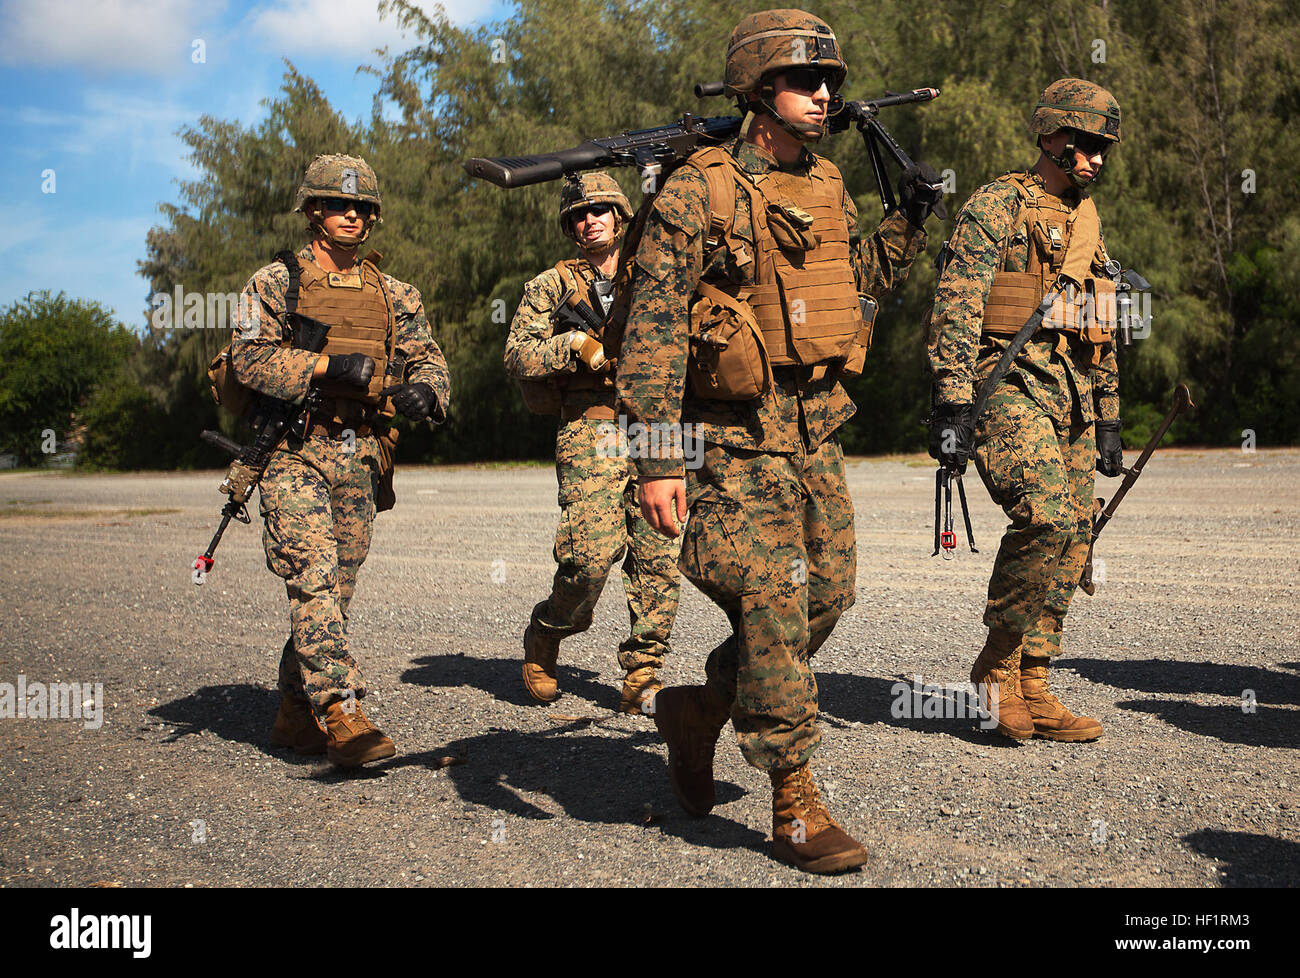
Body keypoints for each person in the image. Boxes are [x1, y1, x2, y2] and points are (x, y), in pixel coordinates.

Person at [617, 9, 938, 873]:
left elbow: (851, 289)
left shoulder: (828, 182)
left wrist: (905, 223)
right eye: (805, 82)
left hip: (816, 431)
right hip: (727, 442)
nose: (824, 95)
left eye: (829, 82)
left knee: (826, 599)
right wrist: (655, 456)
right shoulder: (701, 187)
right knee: (771, 602)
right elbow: (650, 330)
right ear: (760, 90)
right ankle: (793, 798)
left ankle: (697, 710)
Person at [231, 154, 450, 768]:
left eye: (360, 207)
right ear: (312, 211)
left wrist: (427, 393)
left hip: (361, 454)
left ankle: (293, 717)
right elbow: (249, 359)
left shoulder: (393, 293)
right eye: (336, 205)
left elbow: (429, 360)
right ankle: (341, 713)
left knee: (335, 591)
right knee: (314, 578)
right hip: (293, 449)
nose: (350, 215)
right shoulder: (276, 283)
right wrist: (326, 367)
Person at [927, 79, 1124, 744]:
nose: (1095, 158)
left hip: (1071, 395)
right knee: (1042, 514)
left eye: (1103, 148)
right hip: (1004, 383)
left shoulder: (1090, 226)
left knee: (1074, 534)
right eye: (1084, 143)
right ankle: (995, 667)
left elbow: (1103, 329)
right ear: (1050, 136)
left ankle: (1034, 683)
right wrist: (951, 406)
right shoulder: (997, 204)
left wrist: (1110, 418)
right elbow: (956, 304)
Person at [505, 173, 681, 714]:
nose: (589, 220)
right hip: (592, 423)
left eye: (599, 209)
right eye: (578, 215)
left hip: (659, 424)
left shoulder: (653, 270)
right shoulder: (553, 285)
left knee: (660, 555)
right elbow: (517, 354)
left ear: (621, 214)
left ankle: (643, 671)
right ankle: (548, 631)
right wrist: (574, 344)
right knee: (591, 557)